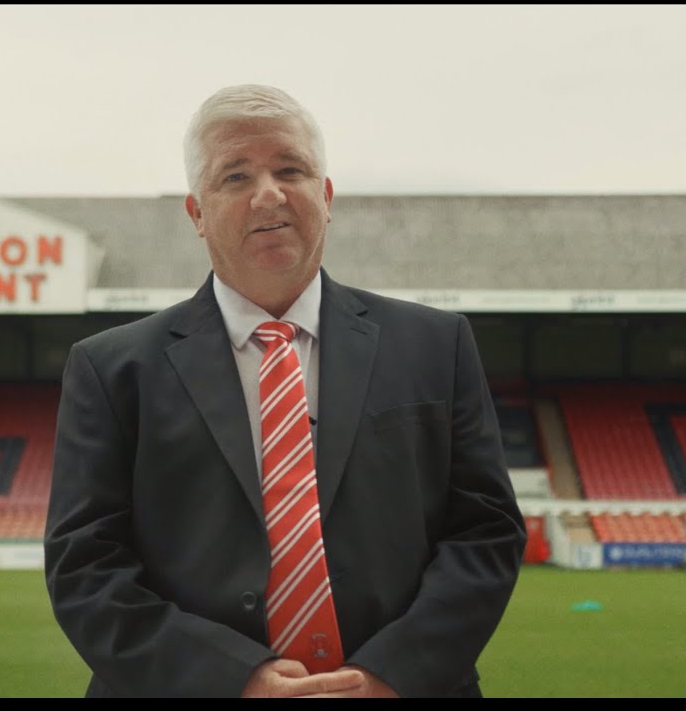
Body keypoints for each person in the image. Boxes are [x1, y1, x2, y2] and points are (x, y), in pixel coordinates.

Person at [43, 83, 526, 698]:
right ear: (196, 213)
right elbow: (86, 569)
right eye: (236, 177)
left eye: (290, 169)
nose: (268, 193)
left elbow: (485, 532)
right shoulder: (110, 369)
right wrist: (234, 680)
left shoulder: (436, 345)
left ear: (325, 197)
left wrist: (392, 674)